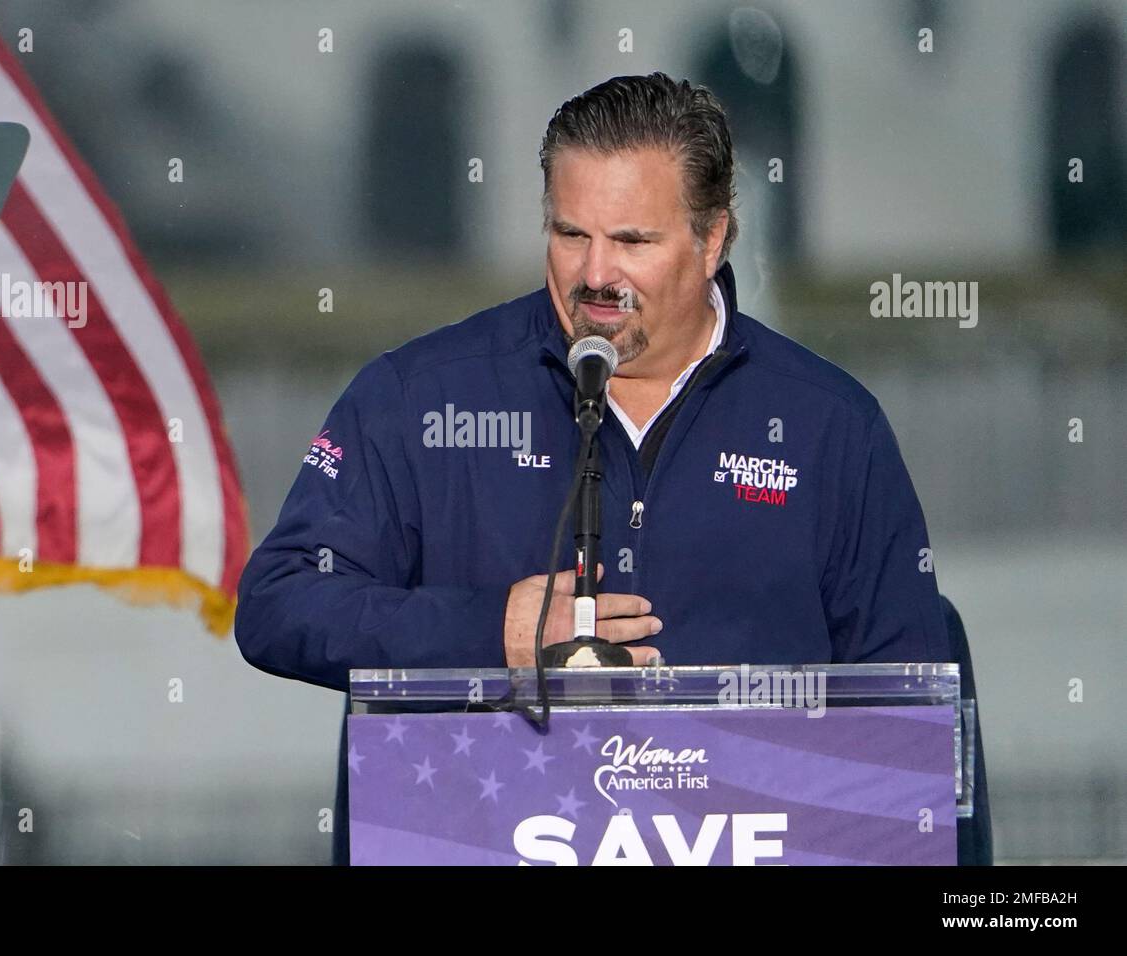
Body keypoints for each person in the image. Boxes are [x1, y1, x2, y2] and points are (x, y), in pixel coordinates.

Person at [235, 72, 957, 861]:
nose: (595, 275)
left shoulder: (831, 427)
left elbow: (909, 716)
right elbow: (280, 604)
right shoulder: (417, 398)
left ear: (713, 238)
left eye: (633, 241)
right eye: (571, 233)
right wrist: (485, 633)